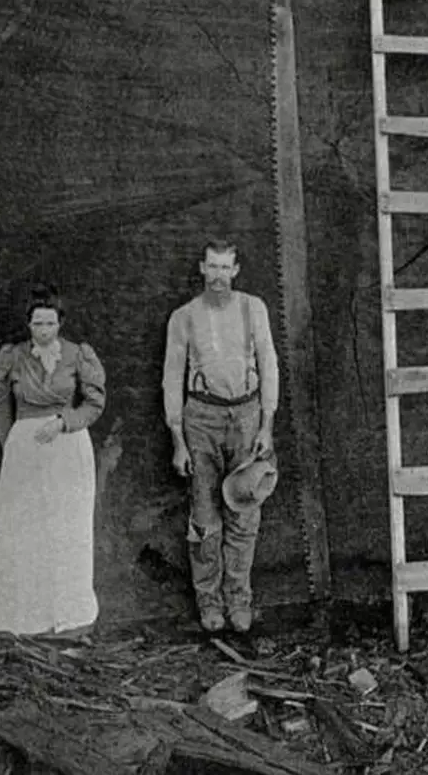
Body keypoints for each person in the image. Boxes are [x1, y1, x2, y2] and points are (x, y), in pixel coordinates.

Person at [0, 286, 105, 638]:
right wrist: (13, 444)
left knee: (64, 527)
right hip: (26, 448)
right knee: (23, 527)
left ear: (60, 323)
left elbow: (94, 404)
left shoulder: (78, 355)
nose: (43, 330)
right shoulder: (13, 356)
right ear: (28, 324)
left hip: (68, 446)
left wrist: (64, 422)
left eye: (50, 323)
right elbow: (0, 404)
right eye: (37, 323)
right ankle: (21, 611)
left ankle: (64, 609)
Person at [163, 241, 279, 634]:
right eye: (211, 266)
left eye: (224, 267)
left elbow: (269, 362)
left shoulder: (253, 308)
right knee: (204, 517)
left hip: (247, 417)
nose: (217, 275)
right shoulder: (184, 316)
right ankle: (209, 602)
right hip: (201, 419)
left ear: (235, 269)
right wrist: (177, 437)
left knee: (244, 512)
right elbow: (171, 375)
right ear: (201, 268)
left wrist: (267, 424)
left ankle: (238, 600)